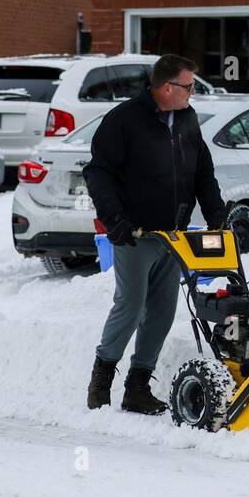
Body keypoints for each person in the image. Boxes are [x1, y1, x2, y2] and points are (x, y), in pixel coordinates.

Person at [83, 54, 228, 414]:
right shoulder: (125, 119)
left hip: (174, 236)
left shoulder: (187, 120)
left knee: (162, 311)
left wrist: (217, 217)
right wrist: (113, 218)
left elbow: (202, 174)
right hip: (135, 233)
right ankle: (101, 381)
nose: (193, 92)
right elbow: (97, 171)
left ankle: (137, 387)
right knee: (130, 306)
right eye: (189, 86)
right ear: (167, 88)